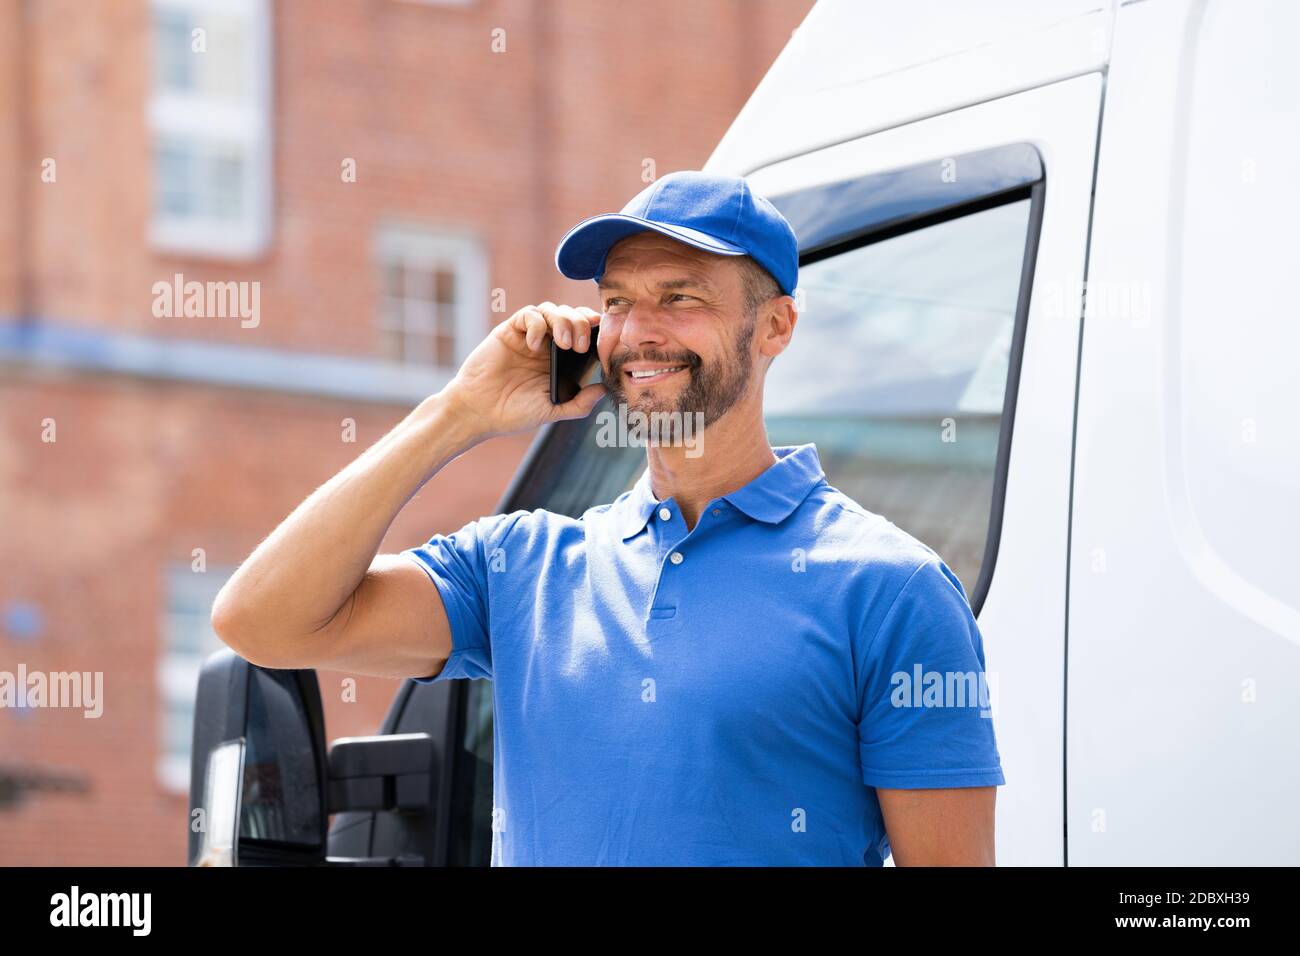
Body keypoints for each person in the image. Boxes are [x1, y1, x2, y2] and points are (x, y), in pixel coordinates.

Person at [212, 170, 1005, 866]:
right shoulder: (519, 566)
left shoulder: (890, 590)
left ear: (775, 326)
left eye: (680, 297)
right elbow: (262, 620)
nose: (639, 331)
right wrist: (458, 412)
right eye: (618, 302)